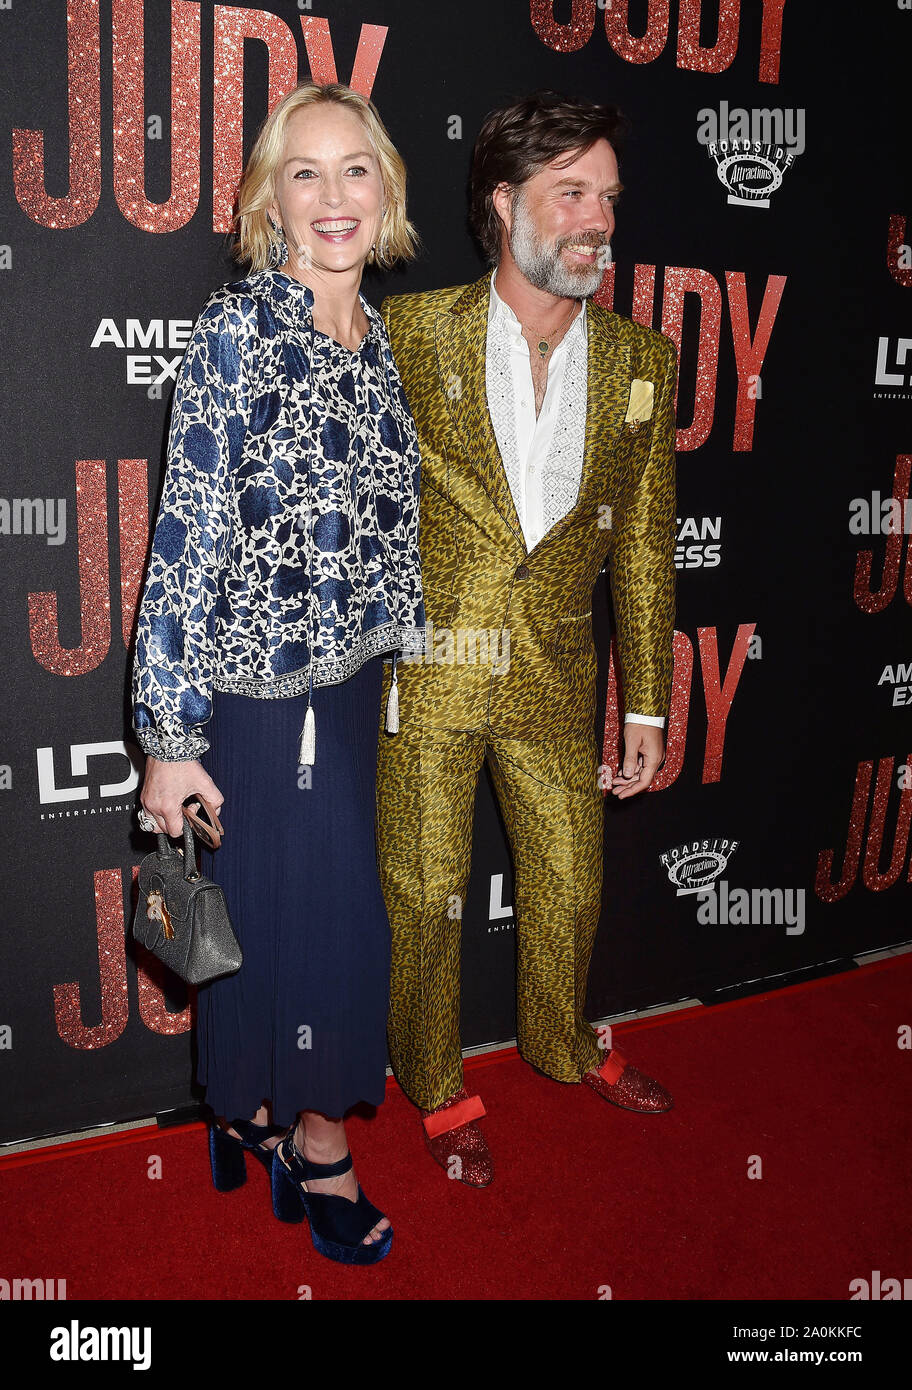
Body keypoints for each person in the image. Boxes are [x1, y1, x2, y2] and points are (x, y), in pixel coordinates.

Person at [131, 82, 424, 1261]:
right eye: (304, 172)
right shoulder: (240, 330)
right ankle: (318, 1145)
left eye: (356, 169)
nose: (334, 196)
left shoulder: (377, 338)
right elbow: (186, 531)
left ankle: (245, 1115)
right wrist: (166, 734)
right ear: (271, 200)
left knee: (275, 924)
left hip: (349, 693)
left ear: (387, 191)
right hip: (259, 700)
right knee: (329, 932)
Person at [375, 90, 677, 1187]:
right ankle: (436, 1081)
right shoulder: (409, 333)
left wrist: (646, 701)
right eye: (571, 194)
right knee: (424, 891)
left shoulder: (645, 360)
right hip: (433, 671)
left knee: (569, 887)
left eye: (607, 196)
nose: (598, 218)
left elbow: (644, 545)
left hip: (556, 674)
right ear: (505, 206)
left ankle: (561, 1042)